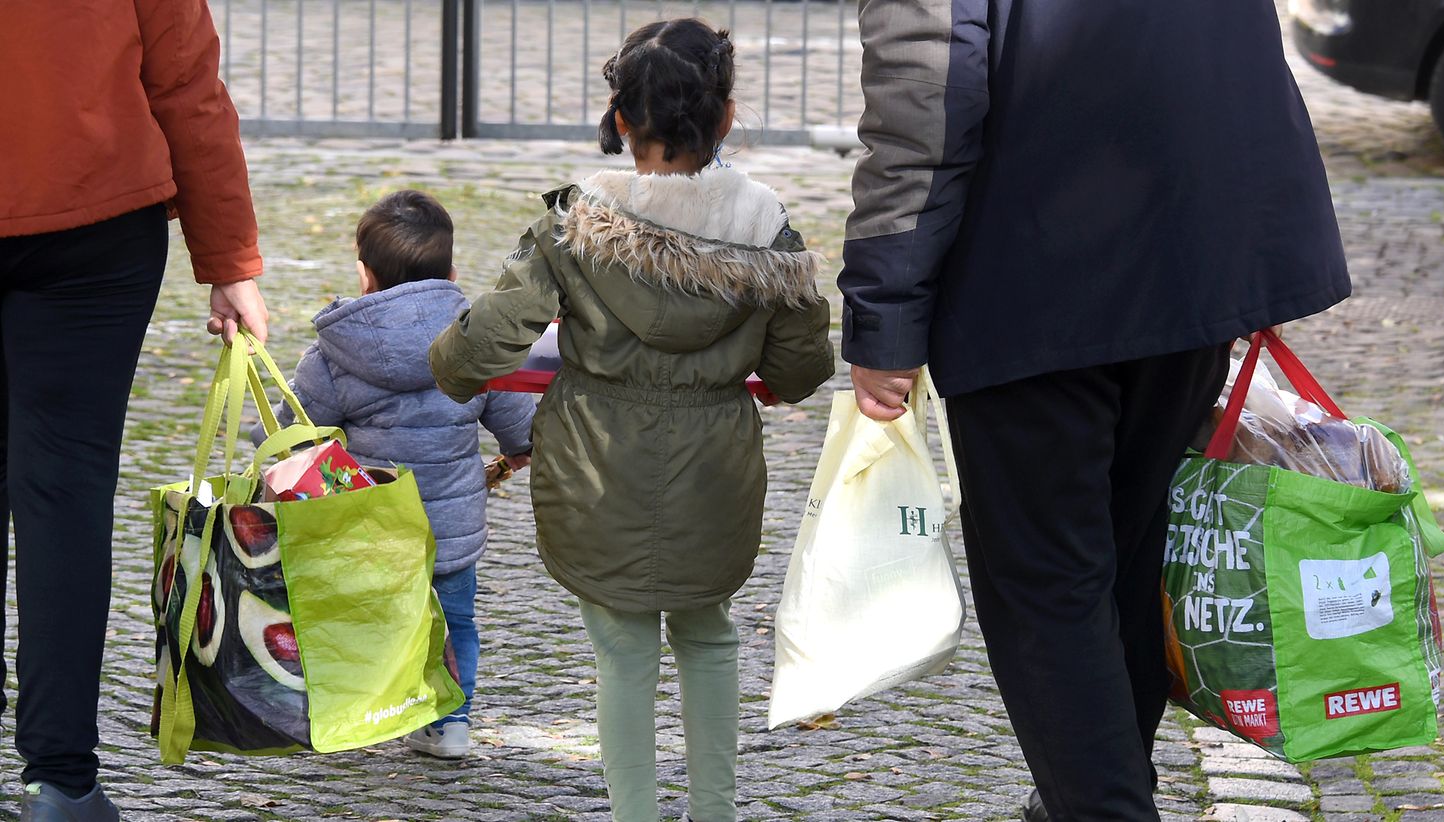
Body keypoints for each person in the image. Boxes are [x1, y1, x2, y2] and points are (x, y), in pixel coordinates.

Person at [839, 2, 1350, 820]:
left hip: (1029, 289)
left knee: (1054, 592)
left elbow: (923, 100)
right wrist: (1252, 250)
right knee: (1123, 568)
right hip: (1185, 265)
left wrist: (884, 309)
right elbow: (1243, 50)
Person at [429, 19, 835, 821]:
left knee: (620, 652)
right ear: (723, 116)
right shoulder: (767, 229)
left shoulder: (574, 223)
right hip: (714, 461)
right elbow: (799, 367)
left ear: (622, 119)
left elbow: (483, 343)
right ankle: (713, 812)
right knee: (708, 633)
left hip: (596, 460)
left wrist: (448, 364)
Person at [0, 1, 268, 819]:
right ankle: (63, 782)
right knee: (66, 495)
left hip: (92, 221)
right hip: (94, 217)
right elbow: (185, 80)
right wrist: (228, 258)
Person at [250, 190, 536, 759]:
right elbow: (522, 429)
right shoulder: (476, 344)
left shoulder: (333, 355)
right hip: (449, 529)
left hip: (366, 527)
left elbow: (290, 438)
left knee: (362, 619)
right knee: (454, 624)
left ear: (364, 275)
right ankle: (450, 724)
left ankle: (359, 710)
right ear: (451, 271)